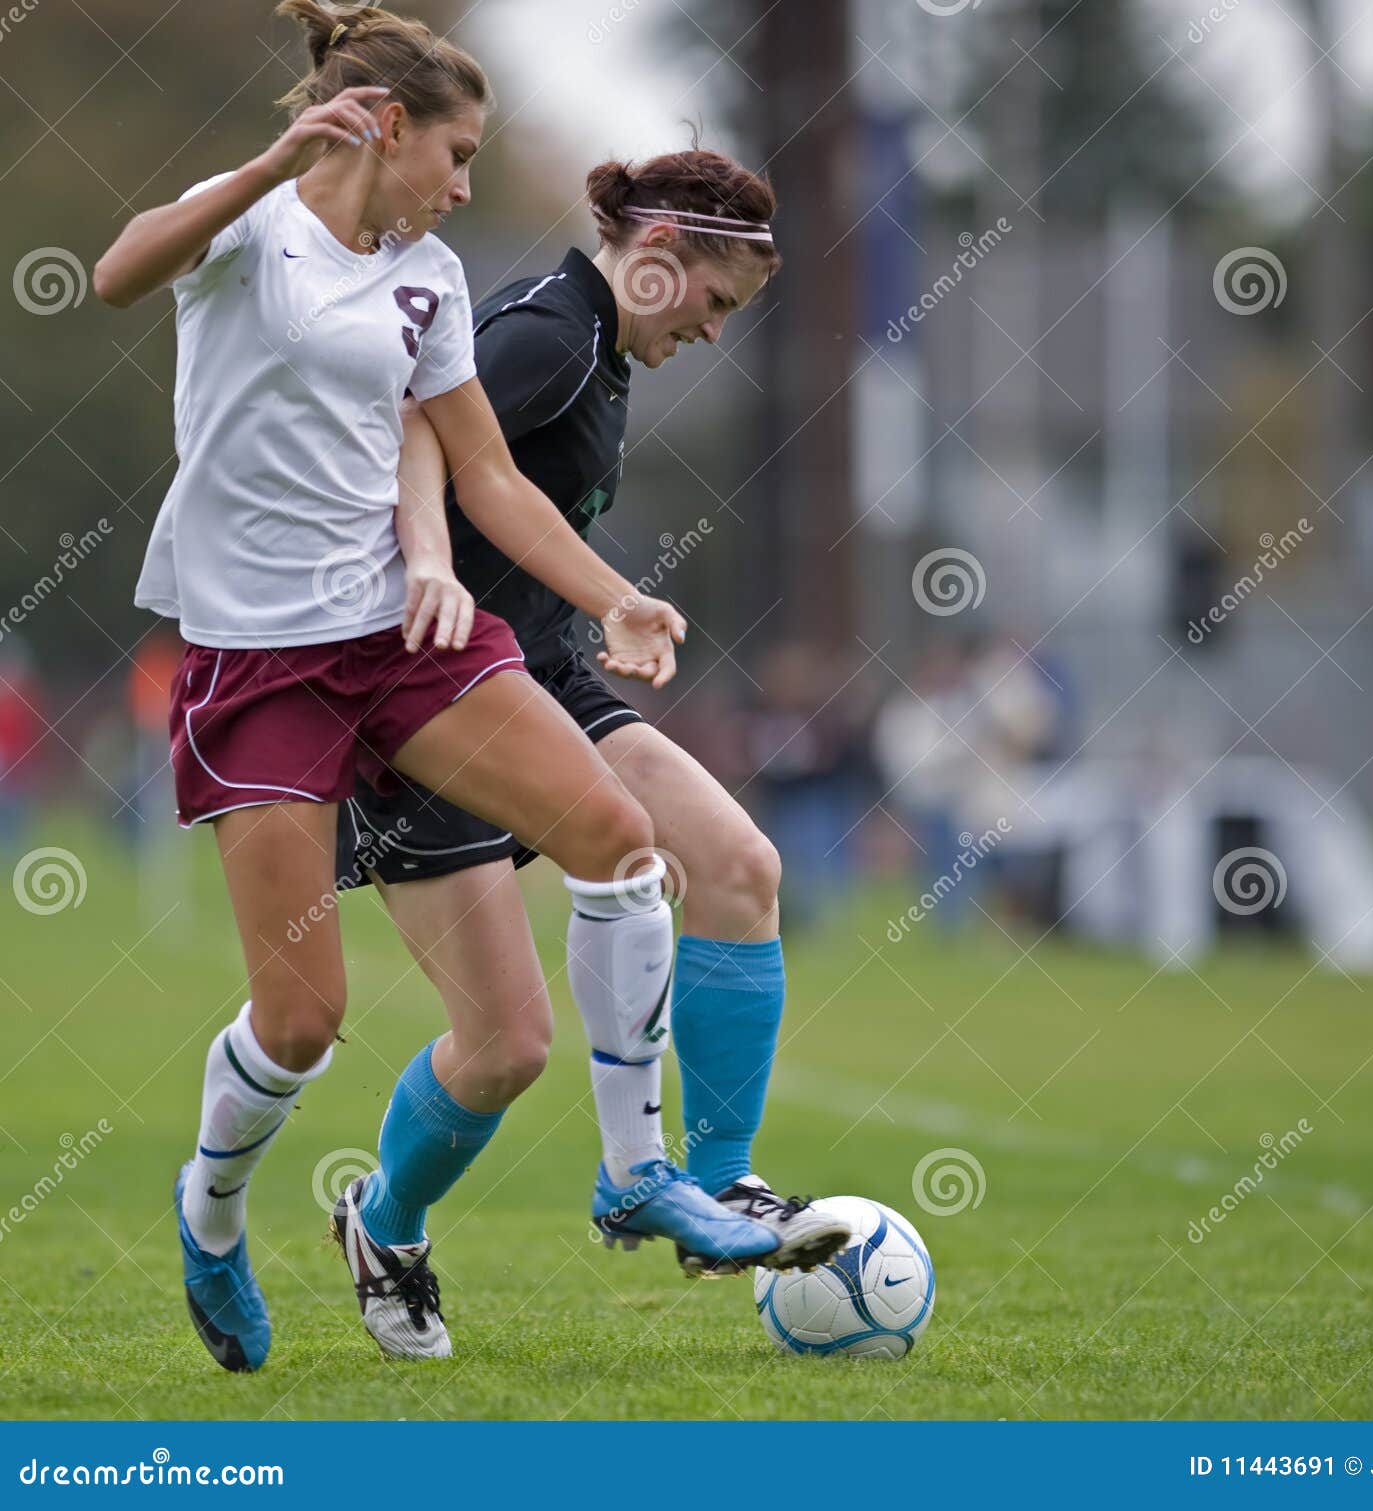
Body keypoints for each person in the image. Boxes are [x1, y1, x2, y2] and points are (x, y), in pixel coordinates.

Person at [93, 0, 776, 1374]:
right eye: (456, 154)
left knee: (620, 837)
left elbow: (485, 475)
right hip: (256, 659)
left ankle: (641, 1170)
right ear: (389, 128)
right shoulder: (250, 224)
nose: (468, 188)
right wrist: (269, 166)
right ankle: (213, 1209)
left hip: (405, 641)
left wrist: (613, 596)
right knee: (301, 1022)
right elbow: (116, 274)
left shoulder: (435, 278)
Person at [332, 148, 852, 1284]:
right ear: (659, 256)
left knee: (736, 864)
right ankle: (384, 1222)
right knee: (505, 1047)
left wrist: (596, 604)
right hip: (433, 697)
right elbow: (420, 434)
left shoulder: (595, 345)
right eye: (715, 304)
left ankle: (714, 1179)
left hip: (545, 677)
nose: (713, 332)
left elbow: (505, 496)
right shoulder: (552, 336)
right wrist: (587, 590)